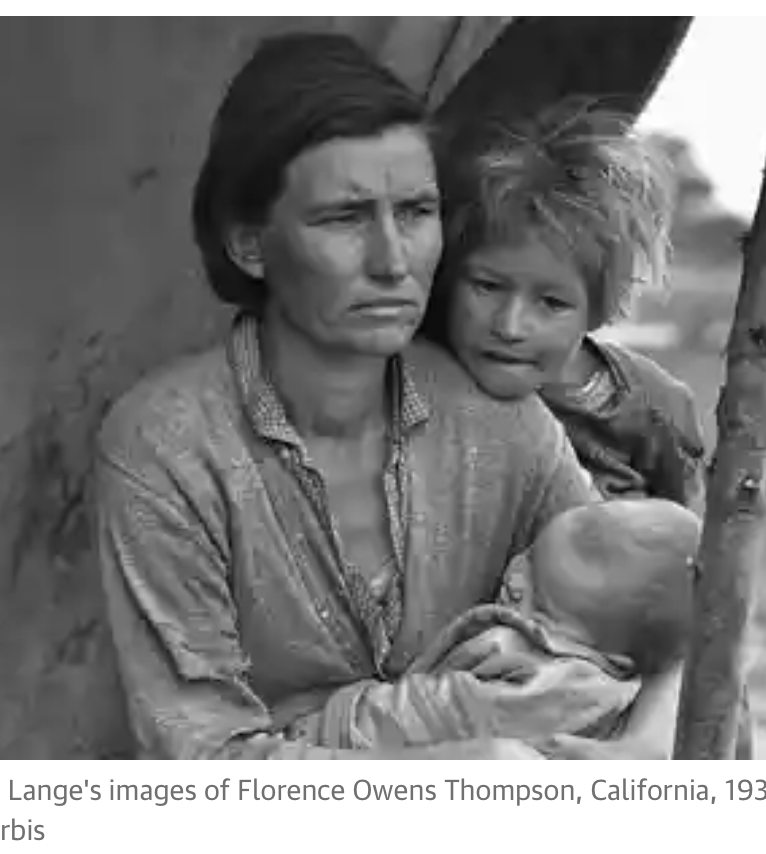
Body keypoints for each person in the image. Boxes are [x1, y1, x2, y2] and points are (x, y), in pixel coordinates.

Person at [94, 33, 676, 760]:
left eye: (415, 212)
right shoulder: (170, 447)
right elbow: (204, 761)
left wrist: (648, 744)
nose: (393, 261)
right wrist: (455, 771)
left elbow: (664, 623)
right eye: (343, 218)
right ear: (250, 244)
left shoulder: (499, 422)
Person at [422, 96, 705, 513]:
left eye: (552, 303)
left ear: (599, 310)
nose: (510, 326)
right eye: (487, 286)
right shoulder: (420, 378)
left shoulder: (654, 409)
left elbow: (692, 543)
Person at [283, 499, 699, 757]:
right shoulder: (611, 667)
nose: (514, 580)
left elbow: (431, 713)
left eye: (542, 603)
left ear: (616, 659)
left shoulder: (546, 686)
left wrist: (327, 724)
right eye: (532, 557)